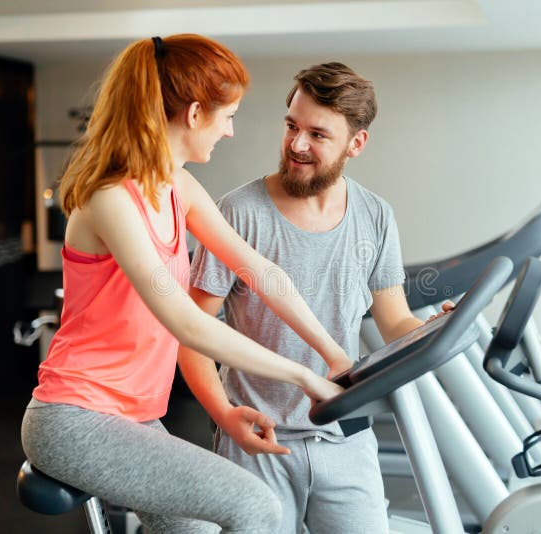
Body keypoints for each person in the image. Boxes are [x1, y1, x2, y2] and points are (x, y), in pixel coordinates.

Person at [20, 36, 354, 534]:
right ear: (196, 113)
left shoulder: (176, 185)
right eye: (228, 116)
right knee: (255, 507)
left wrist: (333, 355)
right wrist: (302, 376)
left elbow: (260, 271)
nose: (231, 131)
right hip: (74, 420)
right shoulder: (111, 199)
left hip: (135, 420)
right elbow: (186, 322)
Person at [179, 62, 449, 534]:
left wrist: (436, 330)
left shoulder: (375, 216)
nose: (297, 145)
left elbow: (394, 321)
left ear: (355, 144)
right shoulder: (239, 213)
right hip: (258, 438)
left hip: (343, 433)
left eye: (318, 134)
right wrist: (223, 415)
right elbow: (191, 331)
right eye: (291, 126)